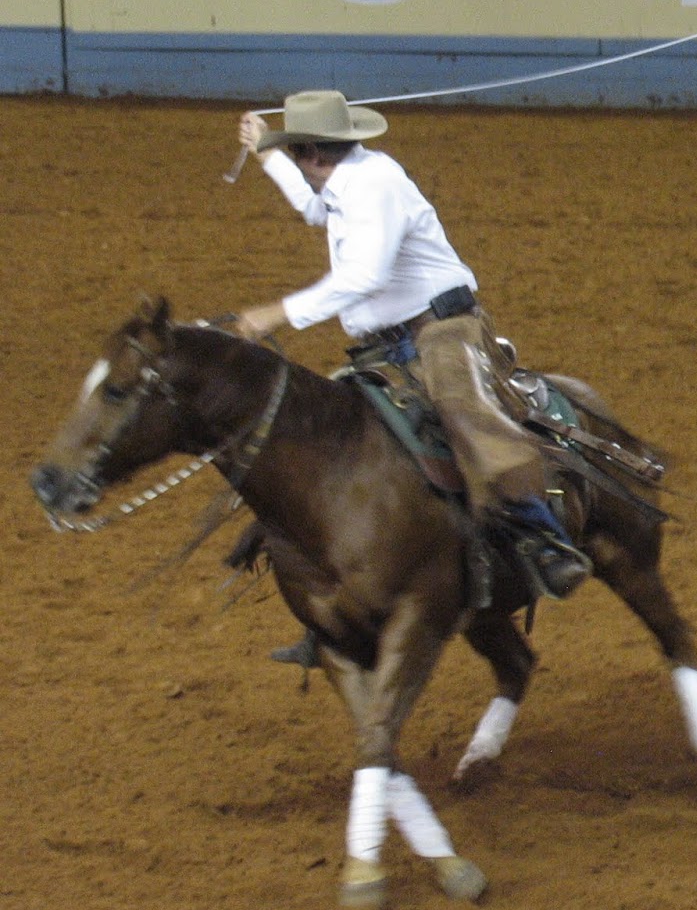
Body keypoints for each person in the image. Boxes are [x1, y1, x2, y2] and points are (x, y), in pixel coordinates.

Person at [233, 91, 593, 613]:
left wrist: (278, 312)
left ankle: (542, 537)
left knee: (462, 413)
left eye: (294, 152)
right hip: (390, 342)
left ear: (311, 152)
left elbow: (364, 276)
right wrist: (267, 155)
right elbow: (317, 209)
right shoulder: (347, 179)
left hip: (442, 330)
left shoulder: (375, 186)